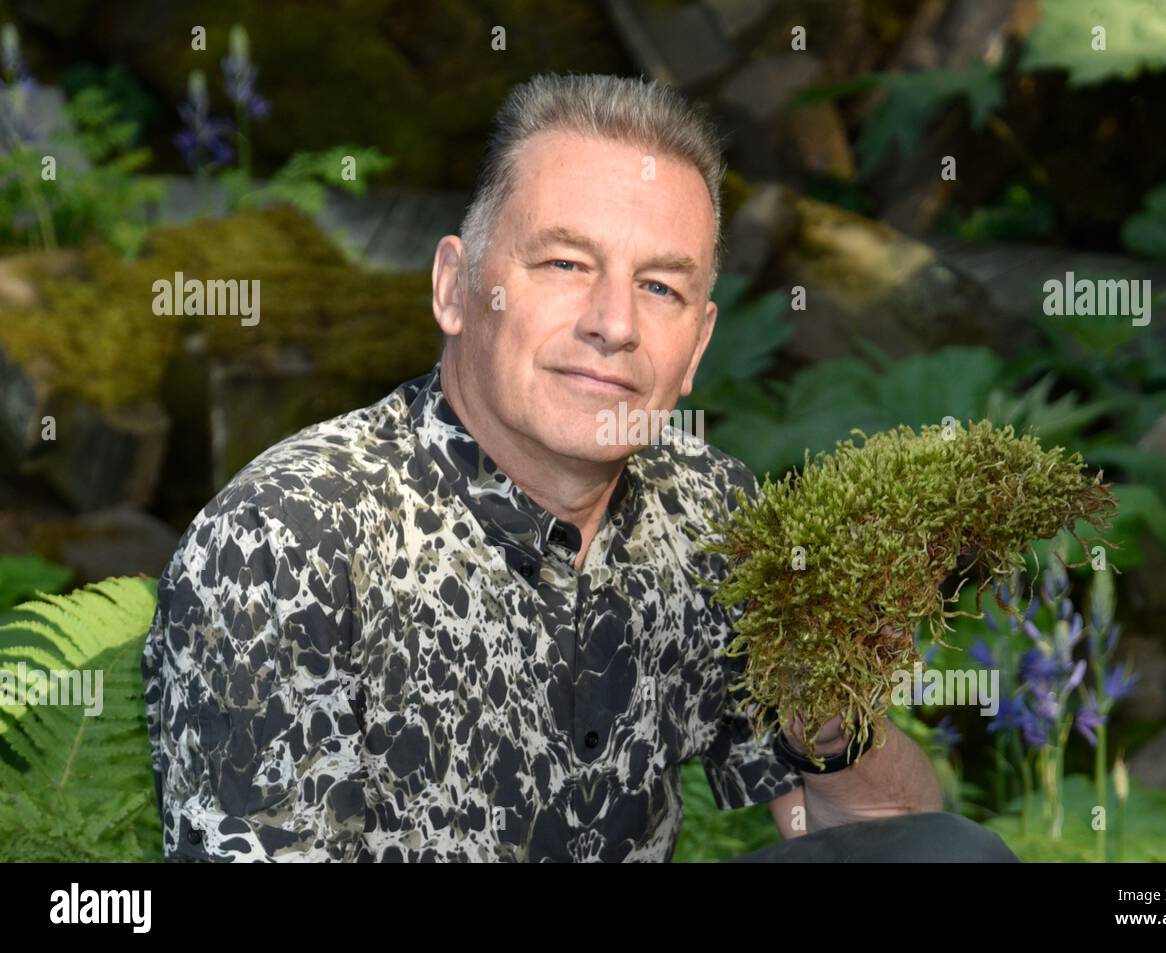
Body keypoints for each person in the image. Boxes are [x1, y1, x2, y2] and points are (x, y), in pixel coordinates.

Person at [141, 71, 1018, 863]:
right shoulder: (286, 539)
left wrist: (827, 698)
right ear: (454, 286)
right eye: (565, 262)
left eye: (660, 287)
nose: (614, 323)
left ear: (697, 347)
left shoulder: (711, 510)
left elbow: (851, 837)